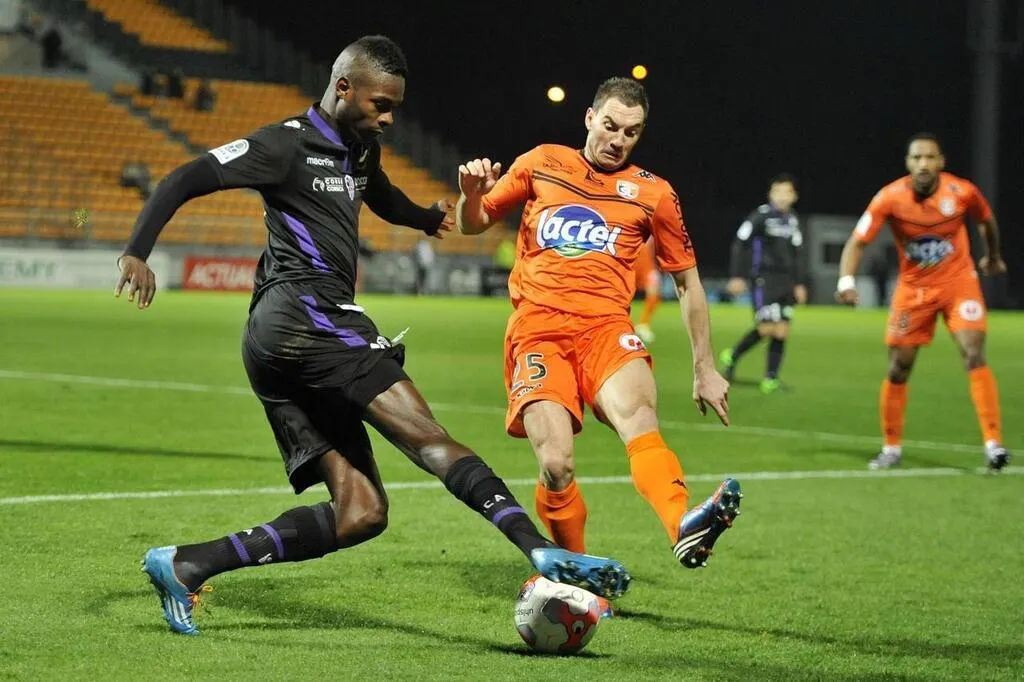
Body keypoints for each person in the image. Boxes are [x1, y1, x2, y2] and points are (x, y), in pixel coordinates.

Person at [115, 35, 630, 636]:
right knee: (430, 439)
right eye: (380, 105)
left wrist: (427, 217)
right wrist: (136, 252)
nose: (388, 119)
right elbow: (186, 176)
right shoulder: (282, 144)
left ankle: (184, 565)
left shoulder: (359, 149)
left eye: (394, 108)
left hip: (279, 346)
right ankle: (538, 549)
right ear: (343, 88)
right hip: (308, 319)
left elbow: (377, 193)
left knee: (361, 512)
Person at [455, 77, 742, 575]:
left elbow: (688, 284)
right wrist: (470, 196)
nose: (618, 140)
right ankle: (577, 570)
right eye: (610, 126)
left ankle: (683, 525)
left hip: (607, 329)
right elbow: (473, 222)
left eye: (631, 133)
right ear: (589, 118)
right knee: (556, 464)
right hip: (538, 329)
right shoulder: (541, 161)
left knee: (640, 423)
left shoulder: (654, 193)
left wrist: (705, 366)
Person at [836, 132, 1011, 472]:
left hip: (959, 284)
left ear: (941, 162)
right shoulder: (890, 197)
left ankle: (993, 444)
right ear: (908, 164)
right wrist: (846, 281)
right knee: (899, 366)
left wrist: (992, 256)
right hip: (913, 290)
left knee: (974, 352)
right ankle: (891, 447)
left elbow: (986, 220)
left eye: (930, 157)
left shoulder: (962, 192)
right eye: (916, 158)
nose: (923, 164)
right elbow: (857, 242)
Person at [719, 174, 806, 393]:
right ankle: (733, 355)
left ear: (794, 196)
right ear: (770, 194)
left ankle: (770, 379)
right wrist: (737, 275)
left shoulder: (793, 220)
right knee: (767, 328)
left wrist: (799, 283)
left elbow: (797, 255)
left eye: (787, 192)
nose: (782, 196)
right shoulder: (760, 216)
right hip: (764, 280)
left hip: (786, 282)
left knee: (782, 330)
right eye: (778, 191)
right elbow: (740, 243)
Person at [632, 236, 661, 344]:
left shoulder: (653, 223)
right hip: (630, 262)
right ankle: (623, 326)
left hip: (647, 264)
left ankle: (644, 324)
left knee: (654, 291)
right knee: (623, 298)